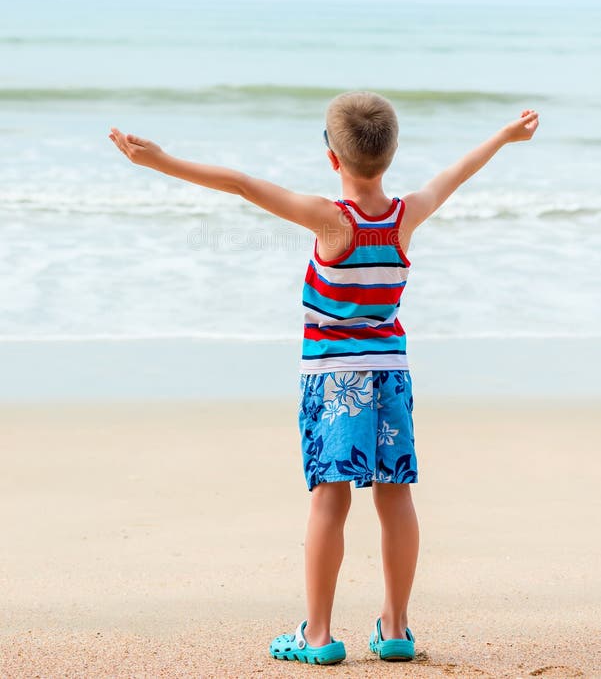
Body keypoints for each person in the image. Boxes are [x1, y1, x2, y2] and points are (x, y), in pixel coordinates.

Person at [109, 91, 539, 665]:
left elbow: (242, 184)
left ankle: (317, 634)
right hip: (390, 376)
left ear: (331, 156)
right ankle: (395, 628)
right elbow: (456, 173)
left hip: (336, 381)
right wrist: (505, 136)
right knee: (395, 494)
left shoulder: (331, 220)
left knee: (330, 499)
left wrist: (160, 162)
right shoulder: (406, 215)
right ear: (391, 152)